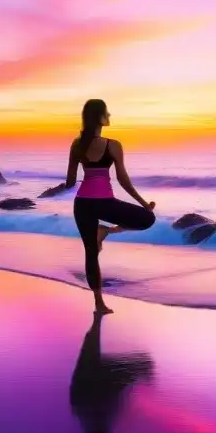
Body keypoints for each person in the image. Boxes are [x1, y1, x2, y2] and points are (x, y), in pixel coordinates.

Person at [60, 99, 156, 314]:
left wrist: (53, 191)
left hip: (82, 204)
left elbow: (70, 182)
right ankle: (107, 231)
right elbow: (123, 181)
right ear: (100, 118)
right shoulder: (113, 145)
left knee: (91, 254)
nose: (109, 116)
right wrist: (144, 205)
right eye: (107, 113)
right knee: (148, 219)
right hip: (104, 203)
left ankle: (99, 304)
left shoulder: (77, 144)